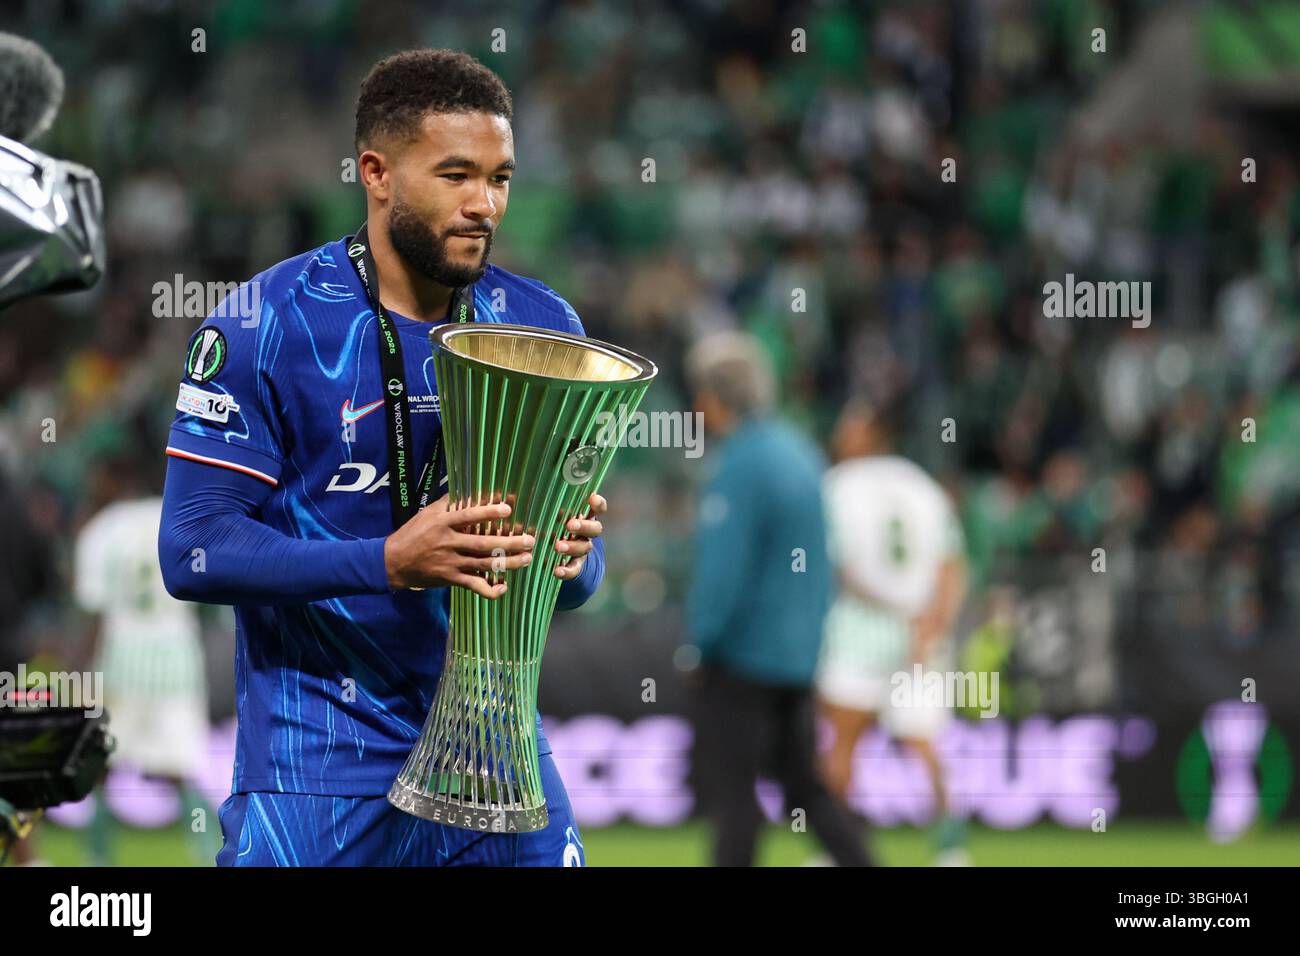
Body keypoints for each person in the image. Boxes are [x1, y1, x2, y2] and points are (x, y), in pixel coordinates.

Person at [158, 49, 607, 866]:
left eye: (501, 178)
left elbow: (583, 581)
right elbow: (193, 551)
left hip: (493, 750)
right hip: (317, 763)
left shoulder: (541, 326)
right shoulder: (264, 323)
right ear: (377, 173)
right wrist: (390, 560)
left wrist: (568, 560)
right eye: (456, 174)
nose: (484, 205)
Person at [682, 331, 871, 867]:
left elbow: (723, 573)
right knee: (805, 789)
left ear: (716, 398)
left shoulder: (739, 465)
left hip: (741, 661)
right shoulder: (802, 454)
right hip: (797, 658)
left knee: (734, 797)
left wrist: (699, 644)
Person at [815, 400, 970, 865]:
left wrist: (894, 609)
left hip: (856, 632)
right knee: (926, 746)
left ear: (869, 436)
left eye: (850, 426)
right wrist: (932, 624)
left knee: (842, 743)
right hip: (922, 633)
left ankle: (836, 851)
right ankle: (951, 851)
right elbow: (953, 566)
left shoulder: (837, 486)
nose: (842, 434)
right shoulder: (922, 486)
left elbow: (837, 567)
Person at [74, 457, 217, 865]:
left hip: (121, 659)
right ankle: (209, 854)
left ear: (115, 476)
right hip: (176, 662)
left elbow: (94, 608)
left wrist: (82, 673)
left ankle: (97, 859)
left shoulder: (101, 529)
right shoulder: (177, 519)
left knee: (102, 768)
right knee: (182, 769)